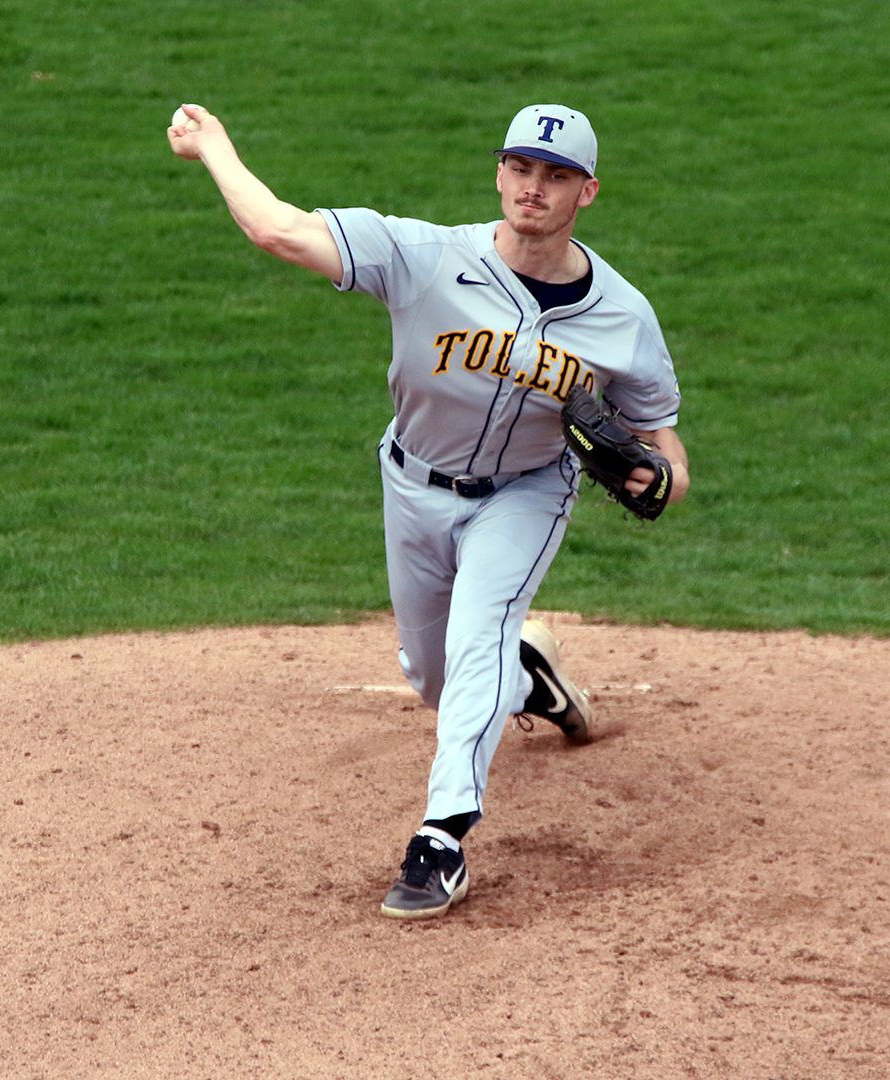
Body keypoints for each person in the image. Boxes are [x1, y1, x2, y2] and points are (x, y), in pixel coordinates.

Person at [168, 102, 688, 919]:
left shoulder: (623, 315)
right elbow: (280, 230)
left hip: (526, 493)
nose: (534, 189)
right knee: (440, 680)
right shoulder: (422, 256)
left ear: (587, 192)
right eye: (521, 169)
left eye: (556, 177)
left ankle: (441, 840)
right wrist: (214, 148)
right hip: (412, 485)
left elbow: (665, 447)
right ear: (499, 173)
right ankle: (532, 677)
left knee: (480, 635)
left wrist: (656, 478)